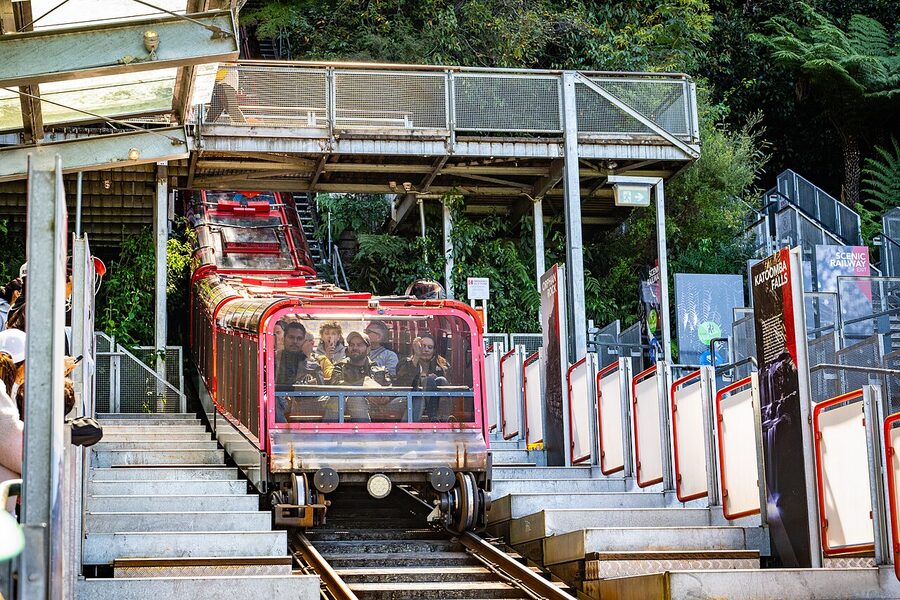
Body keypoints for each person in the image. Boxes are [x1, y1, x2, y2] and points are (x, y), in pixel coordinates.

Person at [326, 331, 390, 422]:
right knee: (354, 399)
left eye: (359, 345)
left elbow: (390, 393)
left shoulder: (380, 371)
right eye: (352, 345)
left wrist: (384, 398)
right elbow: (335, 387)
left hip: (376, 414)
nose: (355, 348)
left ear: (368, 349)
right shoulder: (339, 368)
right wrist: (364, 386)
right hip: (342, 410)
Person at [395, 333, 451, 421]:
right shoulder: (405, 362)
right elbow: (403, 382)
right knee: (427, 382)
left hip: (436, 403)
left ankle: (440, 419)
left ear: (434, 350)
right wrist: (417, 356)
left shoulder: (443, 364)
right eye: (423, 346)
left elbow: (449, 385)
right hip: (410, 398)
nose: (426, 350)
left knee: (440, 380)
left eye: (430, 347)